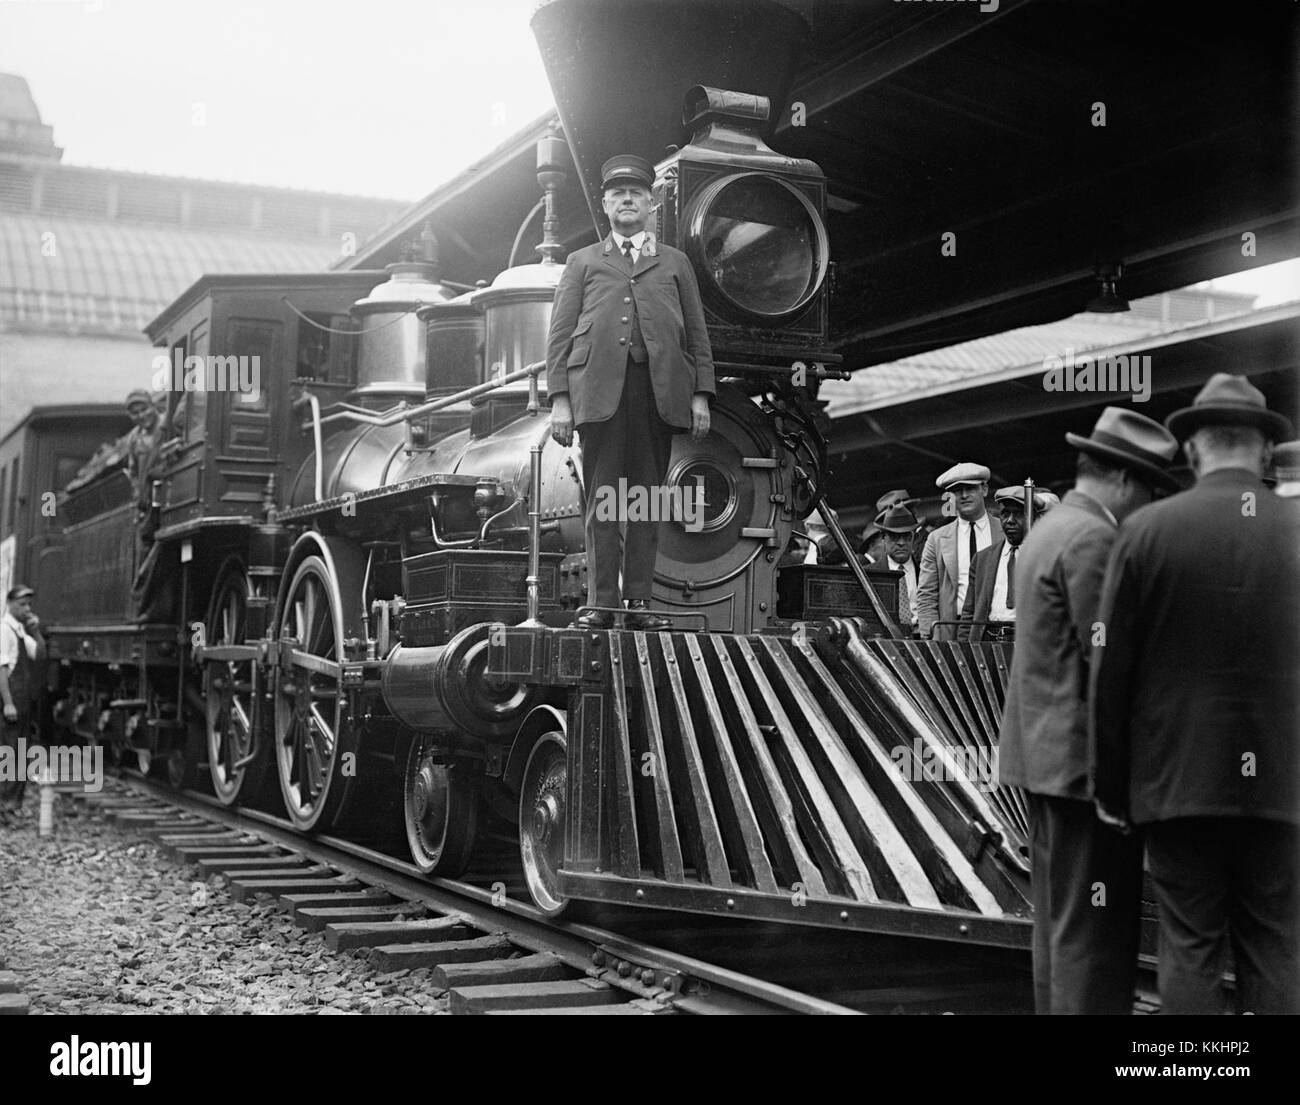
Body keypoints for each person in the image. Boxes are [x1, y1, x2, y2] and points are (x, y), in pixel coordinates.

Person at [1091, 374, 1299, 1014]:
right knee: (1278, 942)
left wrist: (1111, 787)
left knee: (1190, 943)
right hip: (1285, 788)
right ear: (1264, 452)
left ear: (1193, 450)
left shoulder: (1147, 532)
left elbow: (1111, 673)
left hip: (1176, 784)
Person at [999, 407, 1179, 1014]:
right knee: (1095, 935)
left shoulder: (1050, 529)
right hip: (1084, 772)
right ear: (1127, 482)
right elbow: (1108, 666)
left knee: (1058, 924)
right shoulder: (1094, 539)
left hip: (1040, 759)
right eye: (1151, 491)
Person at [546, 154, 715, 629]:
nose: (626, 200)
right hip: (599, 394)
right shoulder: (582, 262)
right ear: (605, 205)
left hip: (658, 393)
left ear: (650, 203)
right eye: (618, 194)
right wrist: (561, 399)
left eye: (635, 194)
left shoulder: (676, 263)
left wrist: (701, 394)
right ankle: (602, 604)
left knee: (646, 498)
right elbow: (559, 336)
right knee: (603, 498)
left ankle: (639, 603)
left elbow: (698, 335)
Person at [916, 463, 1002, 641]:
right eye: (957, 490)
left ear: (984, 489)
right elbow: (927, 595)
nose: (963, 495)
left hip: (996, 628)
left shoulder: (1004, 532)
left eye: (970, 488)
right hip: (952, 630)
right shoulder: (937, 539)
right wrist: (930, 636)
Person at [958, 486, 1054, 642]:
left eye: (1018, 514)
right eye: (1005, 514)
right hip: (988, 639)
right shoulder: (982, 559)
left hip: (1029, 641)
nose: (1010, 520)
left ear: (1033, 518)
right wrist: (964, 649)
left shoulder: (1045, 558)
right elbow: (969, 613)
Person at [1, 585, 45, 822]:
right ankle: (6, 807)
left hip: (22, 701)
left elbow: (39, 654)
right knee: (10, 755)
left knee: (20, 755)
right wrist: (8, 703)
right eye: (22, 604)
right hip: (12, 702)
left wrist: (36, 631)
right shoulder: (4, 630)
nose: (27, 609)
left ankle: (11, 806)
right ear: (9, 603)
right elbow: (1, 669)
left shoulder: (19, 631)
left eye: (29, 604)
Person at [877, 504, 920, 630]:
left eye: (907, 536)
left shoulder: (927, 570)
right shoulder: (868, 574)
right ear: (883, 538)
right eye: (894, 537)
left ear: (915, 538)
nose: (901, 543)